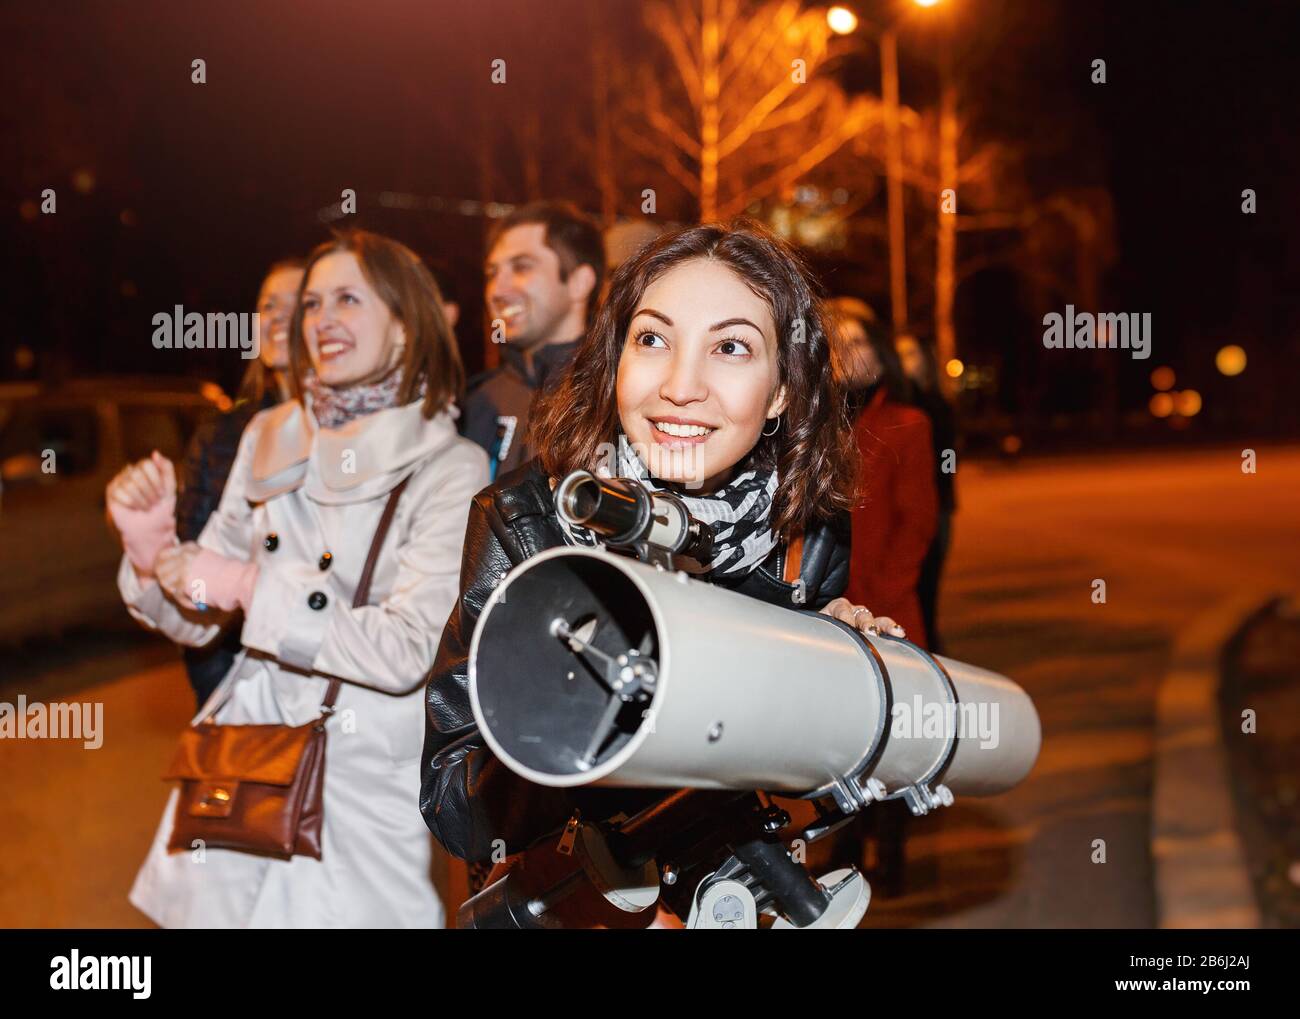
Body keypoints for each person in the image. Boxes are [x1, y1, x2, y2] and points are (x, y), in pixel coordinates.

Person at [420, 222, 906, 919]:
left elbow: (801, 787)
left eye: (731, 347)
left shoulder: (804, 528)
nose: (682, 386)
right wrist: (586, 701)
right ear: (617, 358)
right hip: (578, 904)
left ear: (779, 393)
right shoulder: (530, 515)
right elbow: (455, 804)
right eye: (653, 339)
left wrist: (833, 677)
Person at [106, 229, 488, 928]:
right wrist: (155, 552)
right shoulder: (269, 436)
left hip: (357, 777)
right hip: (243, 758)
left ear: (405, 327)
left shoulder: (449, 464)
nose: (321, 320)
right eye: (313, 303)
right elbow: (198, 616)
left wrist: (253, 586)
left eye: (348, 299)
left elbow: (407, 648)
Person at [175, 258, 304, 707]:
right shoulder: (224, 433)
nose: (278, 318)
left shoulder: (354, 431)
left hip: (325, 668)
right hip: (233, 665)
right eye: (268, 305)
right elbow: (194, 559)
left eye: (298, 303)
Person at [462, 201, 604, 478]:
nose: (497, 290)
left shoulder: (614, 396)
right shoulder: (477, 400)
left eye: (522, 267)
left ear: (579, 282)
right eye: (492, 273)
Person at [830, 298, 938, 649]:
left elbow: (918, 521)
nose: (846, 353)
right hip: (828, 605)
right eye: (838, 344)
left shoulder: (907, 424)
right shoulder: (814, 426)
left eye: (857, 343)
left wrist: (885, 591)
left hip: (885, 604)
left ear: (880, 356)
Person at [896, 333, 957, 654]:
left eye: (912, 354)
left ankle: (931, 657)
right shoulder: (895, 401)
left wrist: (939, 490)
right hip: (907, 509)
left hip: (937, 510)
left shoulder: (932, 405)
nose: (906, 361)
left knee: (926, 593)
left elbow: (948, 460)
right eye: (900, 354)